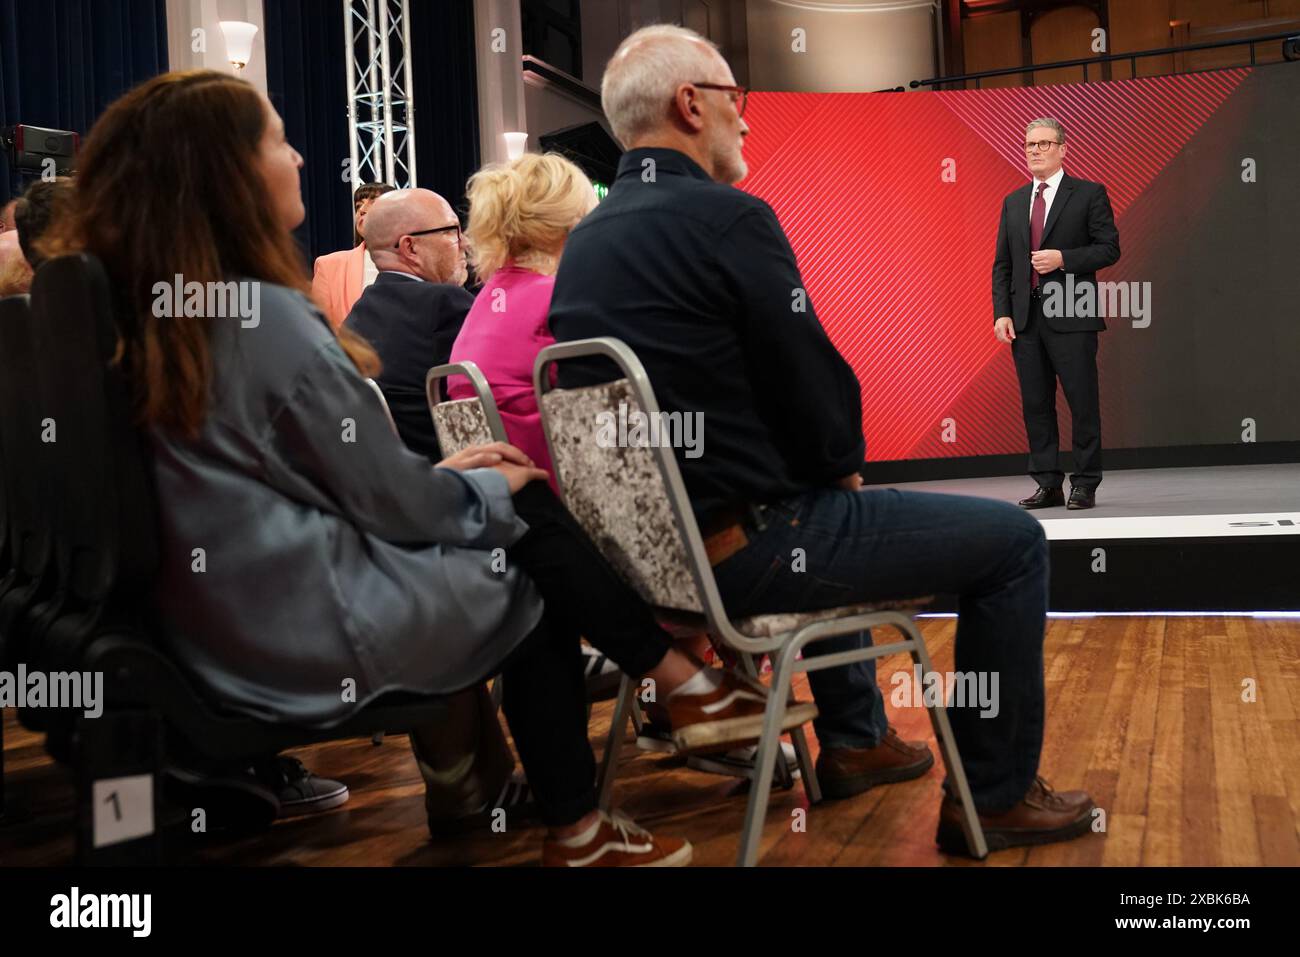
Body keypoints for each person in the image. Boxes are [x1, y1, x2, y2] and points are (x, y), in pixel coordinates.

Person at [50, 69, 798, 866]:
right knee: (532, 552)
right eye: (277, 139)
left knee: (516, 505)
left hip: (211, 609)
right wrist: (478, 484)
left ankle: (647, 720)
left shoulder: (155, 310)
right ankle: (622, 766)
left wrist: (466, 479)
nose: (301, 156)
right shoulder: (261, 316)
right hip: (298, 625)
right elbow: (390, 501)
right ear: (222, 171)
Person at [548, 24, 1096, 855]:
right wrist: (841, 467)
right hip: (751, 551)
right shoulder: (730, 219)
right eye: (738, 99)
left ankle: (856, 740)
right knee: (1013, 542)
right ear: (690, 104)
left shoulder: (583, 242)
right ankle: (993, 793)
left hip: (656, 566)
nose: (748, 119)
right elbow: (815, 385)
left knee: (818, 506)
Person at [450, 151, 802, 782]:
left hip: (535, 533)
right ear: (572, 223)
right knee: (748, 523)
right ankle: (754, 712)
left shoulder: (487, 305)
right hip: (599, 538)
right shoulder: (564, 304)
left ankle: (685, 705)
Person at [993, 118, 1120, 511]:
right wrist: (1002, 313)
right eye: (1030, 144)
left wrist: (1064, 259)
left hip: (1072, 312)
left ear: (1063, 149)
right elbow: (1003, 264)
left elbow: (1109, 248)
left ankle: (1085, 483)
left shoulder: (1088, 193)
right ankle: (1048, 483)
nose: (1035, 150)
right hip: (1026, 319)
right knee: (1036, 405)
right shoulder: (1014, 201)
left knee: (1082, 402)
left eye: (1044, 144)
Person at [342, 188, 473, 462]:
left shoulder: (359, 312)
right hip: (450, 480)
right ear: (410, 247)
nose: (465, 243)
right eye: (452, 231)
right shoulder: (444, 304)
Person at [311, 182, 394, 329]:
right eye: (358, 206)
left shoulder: (417, 261)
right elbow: (319, 329)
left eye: (372, 203)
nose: (362, 210)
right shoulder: (328, 265)